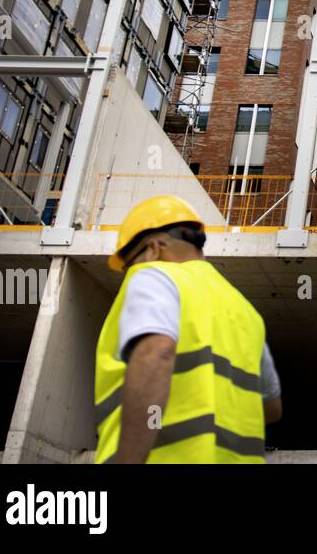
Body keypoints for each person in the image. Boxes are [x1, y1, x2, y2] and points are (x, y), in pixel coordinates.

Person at [94, 195, 281, 463]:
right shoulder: (245, 311)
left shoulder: (154, 276)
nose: (128, 273)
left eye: (128, 265)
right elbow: (272, 407)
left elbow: (156, 353)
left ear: (154, 249)